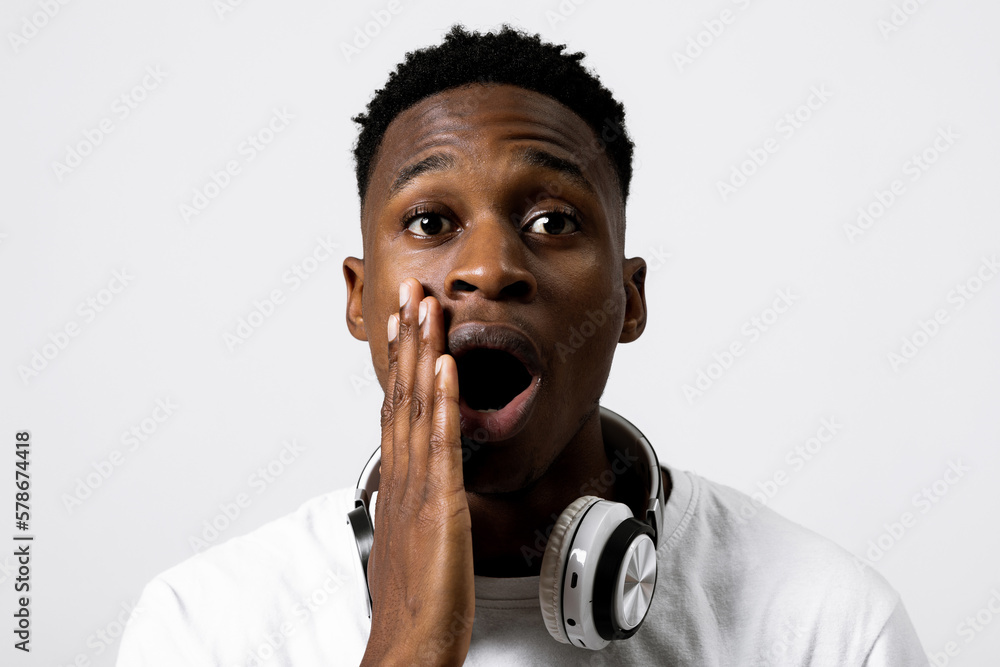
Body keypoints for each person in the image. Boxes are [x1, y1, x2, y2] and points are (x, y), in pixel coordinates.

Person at [117, 24, 929, 666]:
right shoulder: (204, 627)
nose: (489, 267)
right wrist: (406, 649)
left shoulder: (829, 625)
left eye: (553, 222)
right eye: (432, 223)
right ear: (361, 301)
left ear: (629, 300)